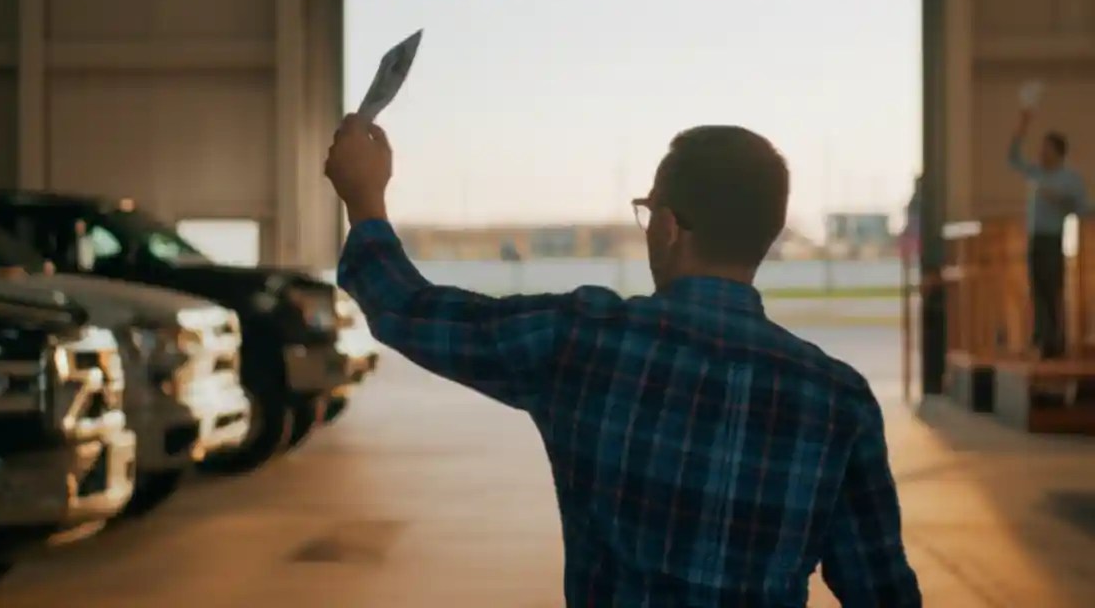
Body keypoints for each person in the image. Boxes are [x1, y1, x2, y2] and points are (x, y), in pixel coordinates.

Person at [325, 116, 920, 607]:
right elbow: (882, 590)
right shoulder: (839, 399)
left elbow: (409, 309)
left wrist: (364, 199)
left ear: (666, 228)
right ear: (766, 234)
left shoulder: (585, 340)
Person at [1008, 108, 1087, 359]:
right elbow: (1013, 158)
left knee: (1053, 290)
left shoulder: (1070, 179)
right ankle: (1041, 339)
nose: (1041, 152)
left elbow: (1084, 207)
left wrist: (1060, 201)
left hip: (1053, 240)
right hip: (1034, 239)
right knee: (1037, 290)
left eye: (1046, 148)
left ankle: (1055, 342)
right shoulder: (1036, 173)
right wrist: (1023, 123)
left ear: (1058, 152)